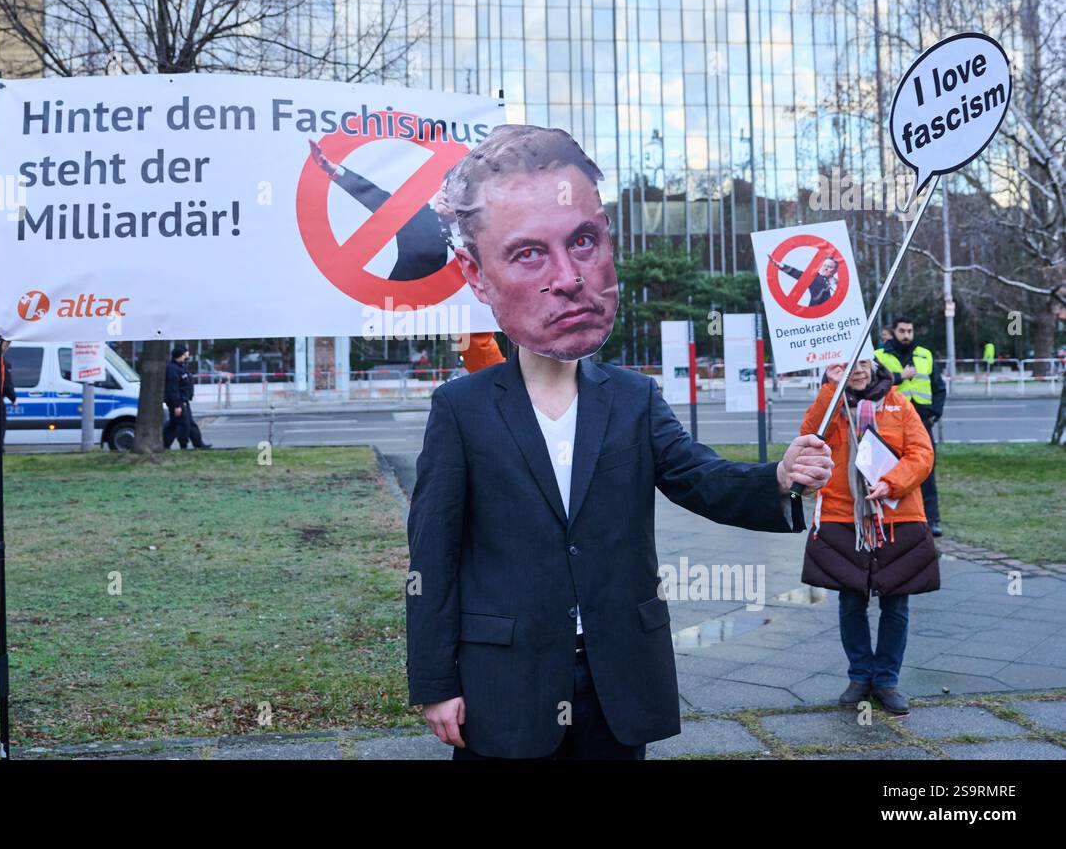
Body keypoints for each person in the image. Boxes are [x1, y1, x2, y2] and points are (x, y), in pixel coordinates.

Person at [405, 125, 833, 760]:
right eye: (527, 253)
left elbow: (698, 476)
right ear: (477, 273)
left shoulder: (632, 398)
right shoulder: (462, 409)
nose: (570, 278)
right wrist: (437, 685)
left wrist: (778, 476)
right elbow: (432, 560)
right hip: (506, 680)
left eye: (583, 241)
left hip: (618, 677)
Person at [798, 357, 938, 716]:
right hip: (843, 517)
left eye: (860, 362)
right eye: (845, 365)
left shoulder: (898, 403)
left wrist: (891, 482)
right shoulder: (831, 402)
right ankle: (860, 676)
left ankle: (887, 680)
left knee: (896, 604)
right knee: (850, 602)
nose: (855, 370)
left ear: (872, 364)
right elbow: (810, 438)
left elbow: (922, 455)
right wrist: (830, 389)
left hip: (897, 515)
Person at [308, 139, 453, 281]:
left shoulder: (471, 234)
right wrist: (334, 170)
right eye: (444, 189)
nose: (445, 197)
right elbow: (378, 198)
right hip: (397, 300)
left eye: (454, 194)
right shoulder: (419, 217)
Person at [875, 317, 946, 536]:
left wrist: (934, 415)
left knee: (925, 469)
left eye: (910, 330)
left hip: (923, 421)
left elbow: (939, 388)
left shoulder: (924, 354)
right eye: (902, 331)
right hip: (891, 422)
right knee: (891, 470)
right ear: (893, 332)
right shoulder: (879, 357)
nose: (907, 335)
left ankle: (931, 519)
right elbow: (874, 386)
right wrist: (899, 377)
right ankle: (892, 517)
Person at [163, 345, 211, 449]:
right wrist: (177, 405)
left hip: (182, 401)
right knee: (183, 425)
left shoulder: (181, 366)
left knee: (185, 423)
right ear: (181, 354)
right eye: (186, 352)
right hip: (178, 401)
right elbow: (172, 388)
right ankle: (181, 445)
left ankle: (198, 443)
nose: (188, 354)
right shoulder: (172, 369)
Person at [768, 251, 839, 307]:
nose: (825, 268)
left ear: (836, 270)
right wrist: (779, 265)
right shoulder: (815, 279)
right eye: (824, 265)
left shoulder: (841, 284)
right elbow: (797, 273)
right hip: (817, 316)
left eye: (829, 267)